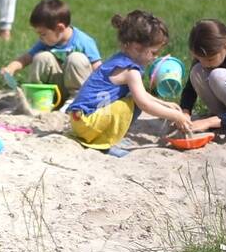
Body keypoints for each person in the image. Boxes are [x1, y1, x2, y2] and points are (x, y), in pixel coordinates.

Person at [68, 11, 191, 157]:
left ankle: (109, 137)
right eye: (153, 52)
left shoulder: (121, 60)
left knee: (133, 100)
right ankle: (104, 143)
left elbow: (142, 94)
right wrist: (177, 116)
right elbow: (144, 104)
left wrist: (165, 104)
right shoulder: (130, 71)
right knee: (133, 103)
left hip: (79, 120)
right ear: (137, 48)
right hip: (87, 123)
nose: (156, 57)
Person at [0, 0, 101, 105]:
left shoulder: (84, 41)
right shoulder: (46, 42)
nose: (40, 37)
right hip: (55, 90)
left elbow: (98, 69)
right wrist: (10, 68)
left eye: (43, 34)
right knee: (41, 57)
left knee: (76, 58)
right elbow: (26, 58)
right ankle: (40, 95)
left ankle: (76, 101)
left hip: (80, 89)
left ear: (60, 28)